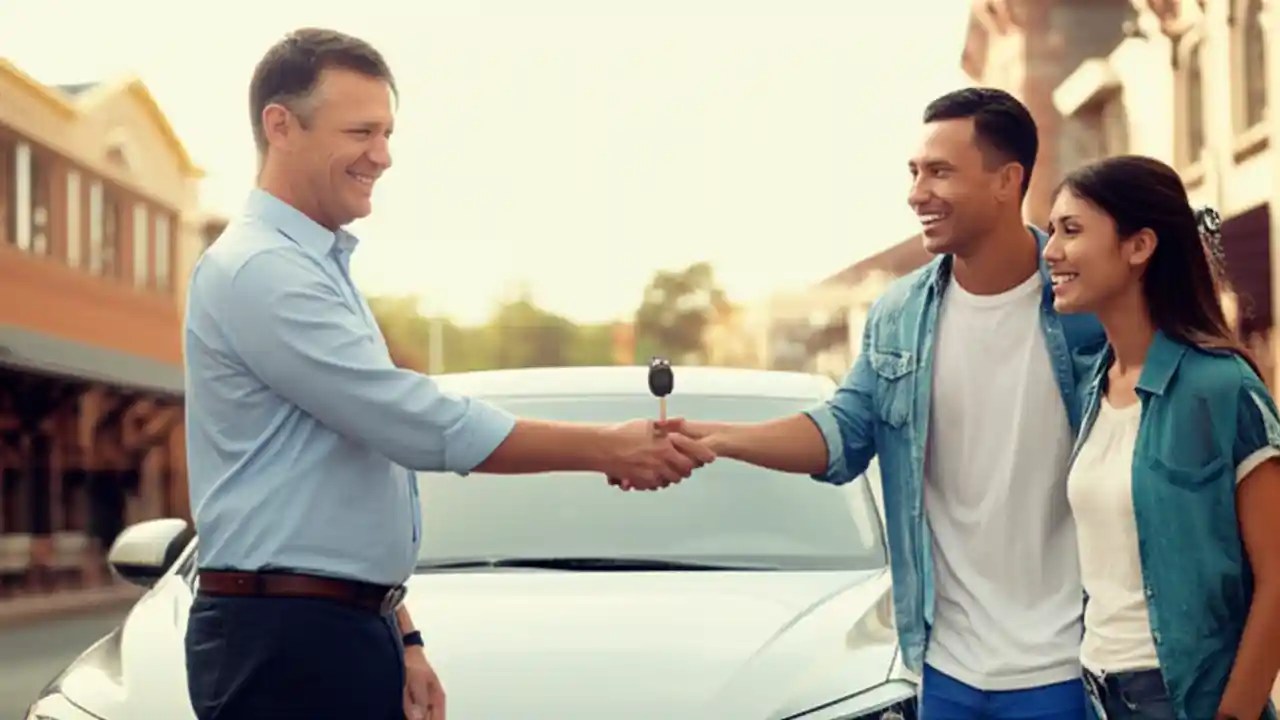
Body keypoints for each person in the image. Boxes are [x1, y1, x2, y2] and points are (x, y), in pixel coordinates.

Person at [181, 27, 715, 720]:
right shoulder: (263, 269)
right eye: (362, 131)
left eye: (388, 132)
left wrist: (403, 633)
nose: (383, 155)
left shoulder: (310, 266)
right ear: (280, 126)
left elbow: (352, 477)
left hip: (332, 630)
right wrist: (608, 446)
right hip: (286, 645)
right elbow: (413, 423)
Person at [657, 86, 1105, 719]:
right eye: (915, 172)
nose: (917, 192)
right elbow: (843, 434)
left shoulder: (1088, 309)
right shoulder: (899, 315)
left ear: (1008, 181)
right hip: (945, 669)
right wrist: (720, 439)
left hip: (1071, 668)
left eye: (941, 172)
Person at [1042, 154, 1280, 720]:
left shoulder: (1219, 387)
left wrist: (1234, 716)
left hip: (1183, 700)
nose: (1050, 251)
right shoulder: (1091, 386)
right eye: (1052, 231)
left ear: (1139, 246)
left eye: (1071, 230)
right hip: (1095, 694)